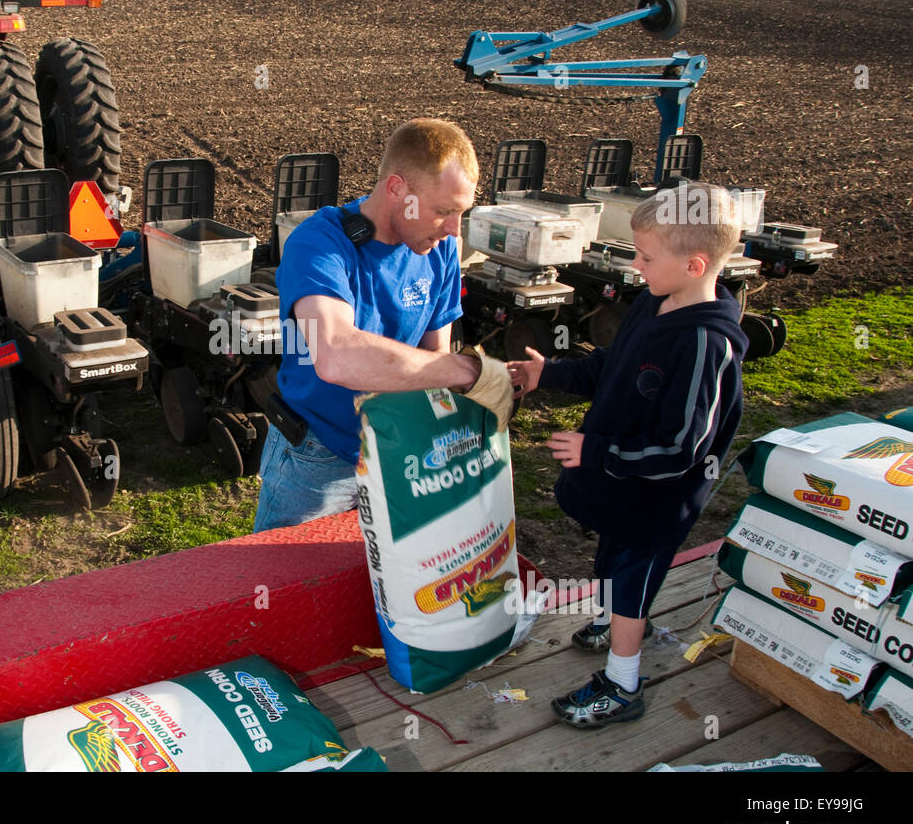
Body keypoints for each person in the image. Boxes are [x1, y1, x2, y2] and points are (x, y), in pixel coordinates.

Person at [508, 181, 749, 727]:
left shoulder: (705, 345)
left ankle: (622, 683)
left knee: (632, 577)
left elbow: (682, 448)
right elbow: (609, 367)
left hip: (656, 501)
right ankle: (608, 619)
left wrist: (597, 452)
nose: (636, 266)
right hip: (624, 486)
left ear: (694, 265)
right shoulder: (655, 303)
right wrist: (551, 372)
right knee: (610, 560)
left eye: (645, 257)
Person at [253, 118, 512, 533]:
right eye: (443, 211)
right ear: (397, 190)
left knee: (374, 583)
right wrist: (472, 372)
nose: (453, 229)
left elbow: (433, 360)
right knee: (284, 584)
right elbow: (335, 356)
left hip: (396, 452)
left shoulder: (440, 249)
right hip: (319, 458)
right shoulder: (319, 245)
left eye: (460, 213)